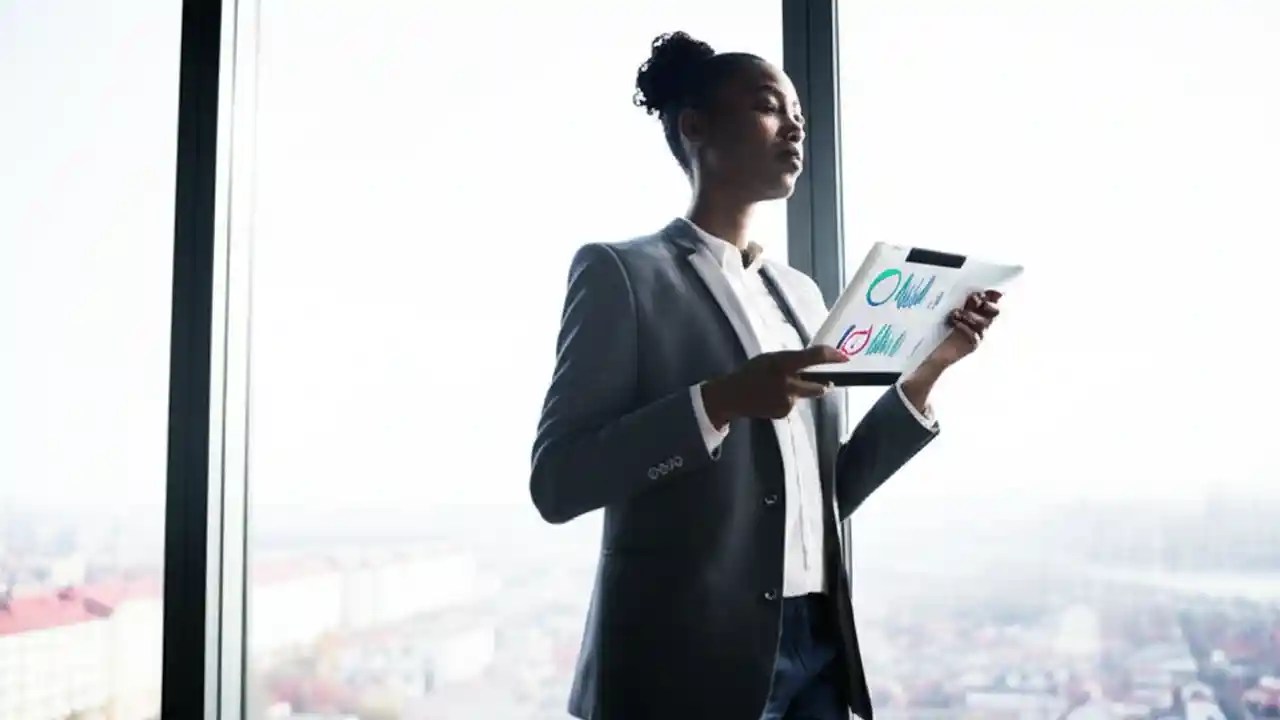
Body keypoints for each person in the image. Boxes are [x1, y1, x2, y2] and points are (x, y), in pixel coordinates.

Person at [530, 31, 1002, 720]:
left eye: (800, 115)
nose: (794, 126)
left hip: (818, 647)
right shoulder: (620, 274)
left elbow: (825, 491)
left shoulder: (803, 296)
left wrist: (927, 373)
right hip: (686, 663)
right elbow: (559, 480)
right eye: (768, 106)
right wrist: (721, 401)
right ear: (695, 127)